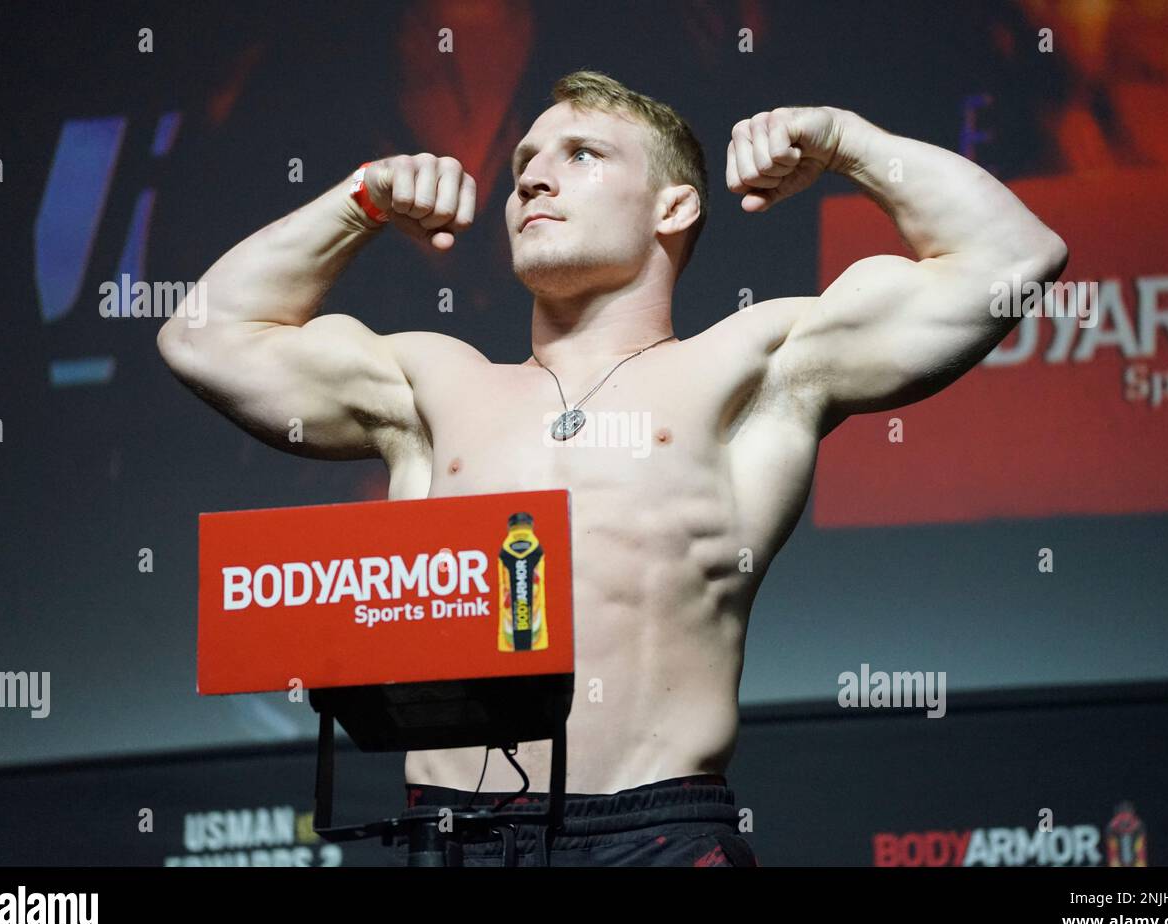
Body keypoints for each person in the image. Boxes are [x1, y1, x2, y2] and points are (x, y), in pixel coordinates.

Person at [156, 70, 1066, 866]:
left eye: (583, 154)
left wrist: (847, 141)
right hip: (450, 833)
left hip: (657, 835)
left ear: (673, 206)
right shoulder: (428, 385)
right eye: (523, 166)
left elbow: (1012, 258)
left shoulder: (754, 365)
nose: (535, 179)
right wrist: (359, 202)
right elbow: (202, 339)